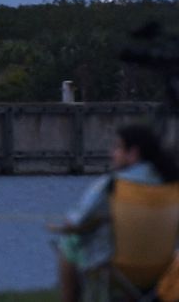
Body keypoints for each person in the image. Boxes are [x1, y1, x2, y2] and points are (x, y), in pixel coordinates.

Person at [52, 124, 179, 301]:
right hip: (162, 269)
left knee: (69, 243)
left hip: (118, 268)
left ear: (133, 153)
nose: (113, 153)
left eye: (118, 147)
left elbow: (76, 221)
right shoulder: (173, 187)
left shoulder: (112, 185)